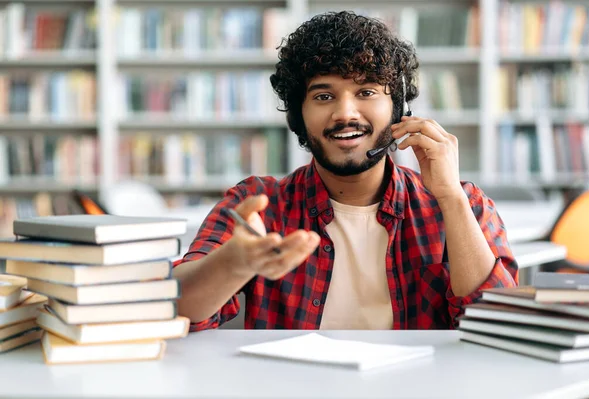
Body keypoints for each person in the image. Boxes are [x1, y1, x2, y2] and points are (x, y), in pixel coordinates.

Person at [173, 11, 518, 331]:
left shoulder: (462, 204)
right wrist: (233, 263)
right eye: (324, 96)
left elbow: (498, 328)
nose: (345, 113)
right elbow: (175, 310)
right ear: (299, 115)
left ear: (400, 110)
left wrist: (451, 200)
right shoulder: (259, 204)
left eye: (366, 91)